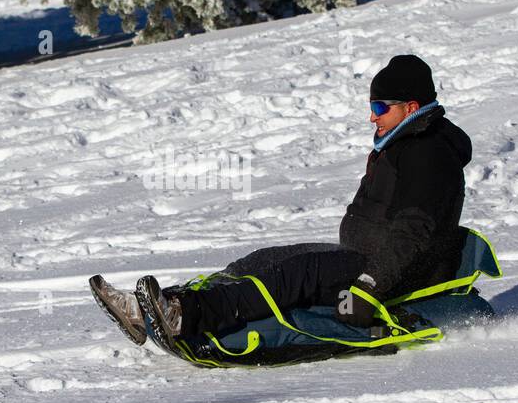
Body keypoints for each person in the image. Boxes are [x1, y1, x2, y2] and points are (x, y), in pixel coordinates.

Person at [90, 54, 473, 349]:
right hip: (367, 257)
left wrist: (369, 287)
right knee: (263, 260)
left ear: (410, 106)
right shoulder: (404, 144)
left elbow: (413, 230)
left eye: (379, 108)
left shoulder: (429, 153)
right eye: (370, 108)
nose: (372, 118)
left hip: (394, 270)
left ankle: (184, 317)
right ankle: (155, 307)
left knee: (295, 274)